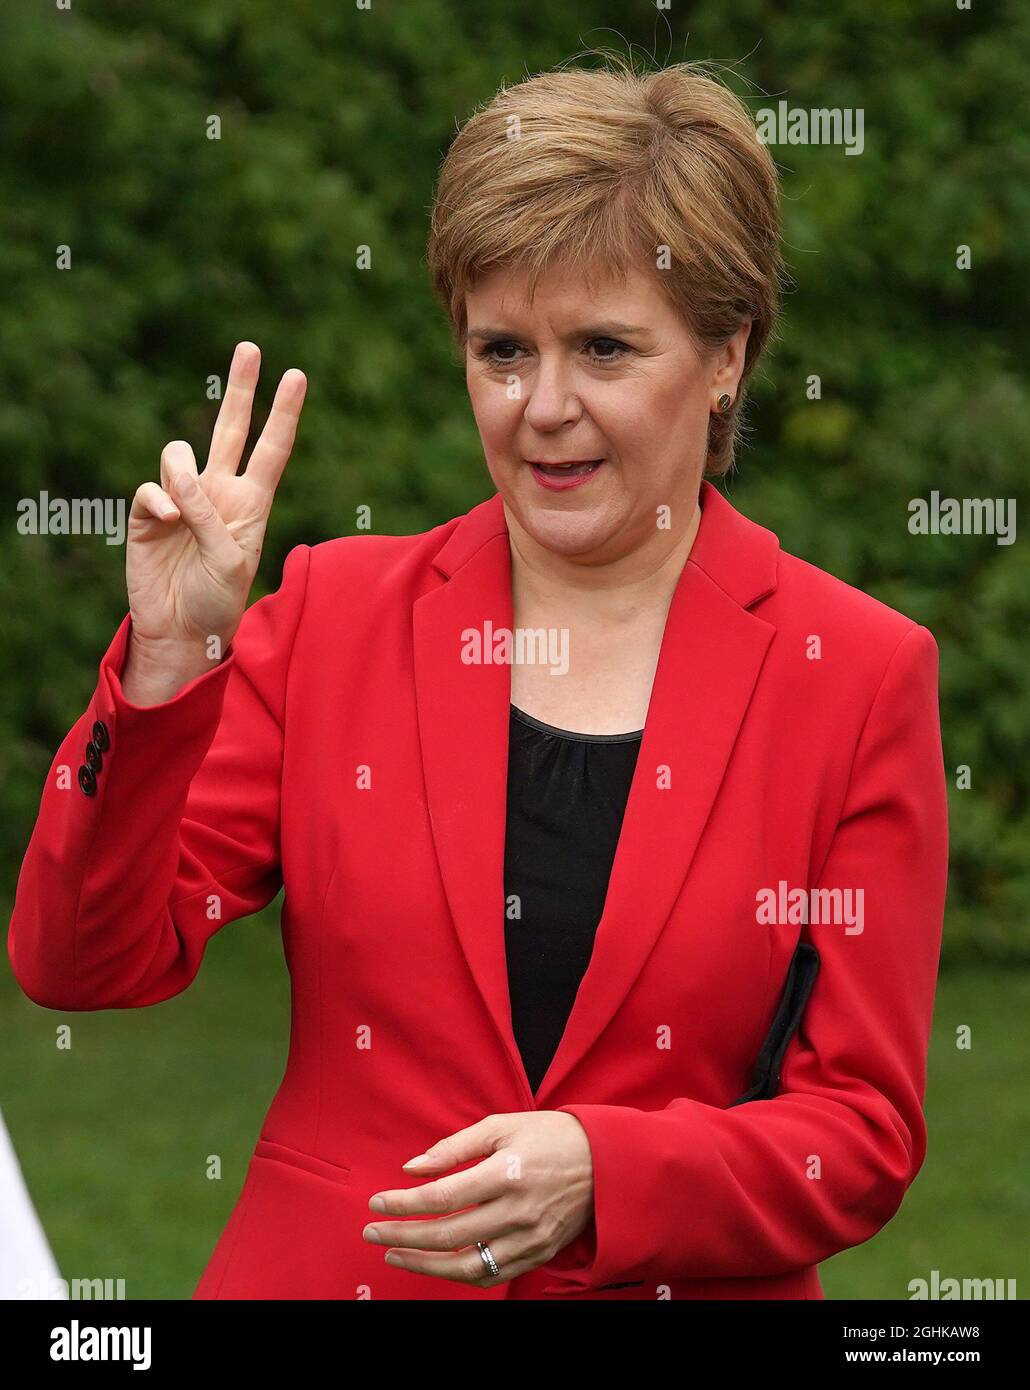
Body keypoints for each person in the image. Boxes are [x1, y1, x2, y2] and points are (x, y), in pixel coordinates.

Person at [7, 56, 948, 1300]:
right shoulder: (334, 614)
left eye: (604, 350)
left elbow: (861, 1136)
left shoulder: (859, 673)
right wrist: (172, 665)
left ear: (727, 356)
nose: (541, 406)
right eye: (503, 350)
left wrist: (609, 1172)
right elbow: (83, 966)